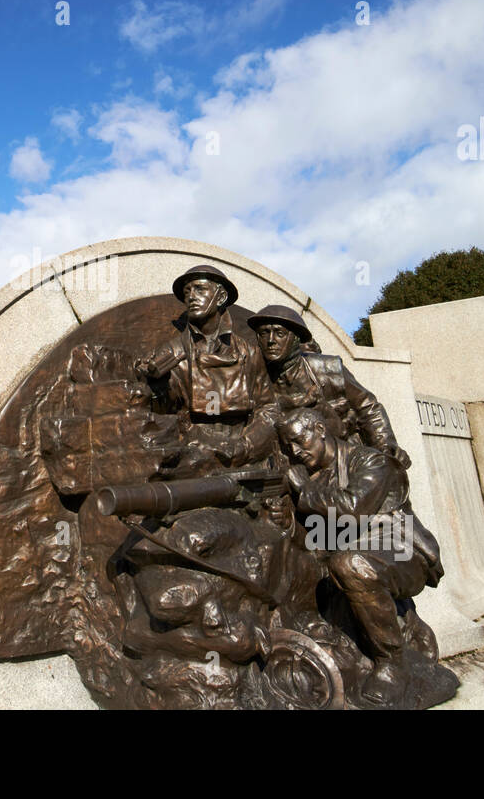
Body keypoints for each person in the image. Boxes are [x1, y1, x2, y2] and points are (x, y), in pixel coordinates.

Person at [275, 407, 442, 704]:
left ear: (320, 429)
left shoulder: (370, 461)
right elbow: (314, 534)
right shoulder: (316, 474)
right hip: (347, 557)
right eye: (289, 446)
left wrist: (304, 491)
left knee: (350, 564)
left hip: (401, 550)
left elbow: (352, 508)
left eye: (301, 441)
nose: (296, 451)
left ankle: (392, 664)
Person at [135, 265, 276, 471]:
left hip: (244, 456)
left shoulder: (249, 353)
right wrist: (153, 386)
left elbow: (269, 409)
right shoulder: (173, 353)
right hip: (194, 453)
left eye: (200, 289)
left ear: (220, 297)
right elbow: (165, 414)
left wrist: (247, 445)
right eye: (187, 292)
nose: (191, 297)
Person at [247, 304, 410, 470]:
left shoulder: (328, 369)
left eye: (279, 333)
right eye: (263, 333)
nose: (271, 340)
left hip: (340, 460)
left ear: (296, 338)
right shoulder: (255, 377)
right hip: (291, 463)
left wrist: (385, 446)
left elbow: (367, 407)